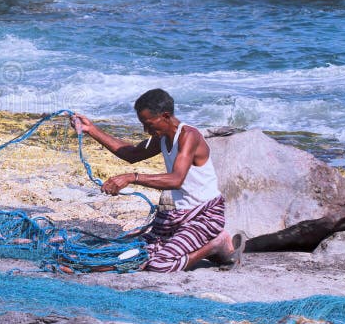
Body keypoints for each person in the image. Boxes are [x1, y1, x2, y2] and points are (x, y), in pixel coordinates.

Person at [71, 88, 245, 272]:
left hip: (206, 215)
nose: (147, 130)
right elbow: (131, 154)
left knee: (159, 264)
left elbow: (176, 179)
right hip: (177, 215)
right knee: (136, 252)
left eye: (149, 124)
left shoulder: (189, 136)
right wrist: (91, 129)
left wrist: (132, 177)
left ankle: (215, 244)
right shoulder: (161, 137)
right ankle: (87, 267)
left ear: (165, 116)